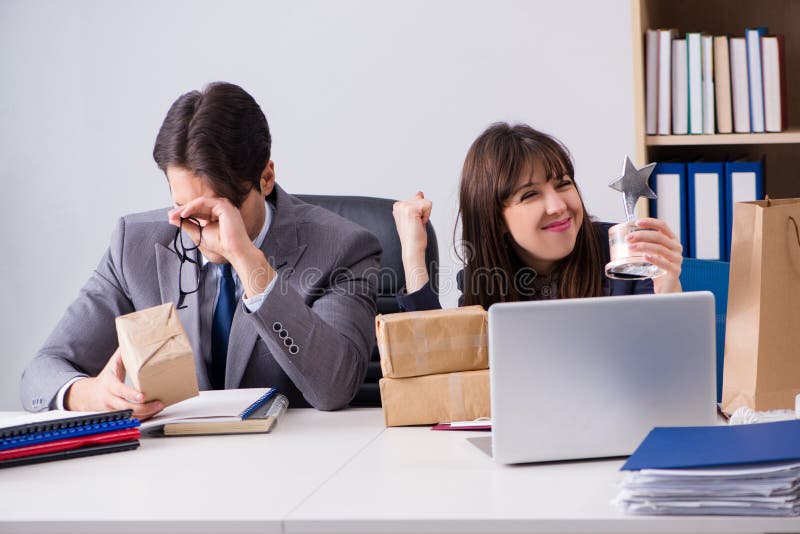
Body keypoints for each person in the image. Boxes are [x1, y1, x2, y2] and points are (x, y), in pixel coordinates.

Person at [20, 82, 381, 417]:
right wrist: (88, 394)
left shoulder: (342, 247)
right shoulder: (135, 245)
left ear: (266, 178)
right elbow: (41, 373)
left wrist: (249, 264)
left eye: (217, 211)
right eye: (185, 209)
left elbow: (335, 388)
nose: (201, 230)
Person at [393, 122, 682, 311]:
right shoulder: (481, 279)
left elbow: (668, 369)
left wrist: (668, 289)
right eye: (530, 195)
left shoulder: (622, 257)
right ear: (496, 219)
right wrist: (413, 254)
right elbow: (441, 364)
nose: (558, 206)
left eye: (563, 184)